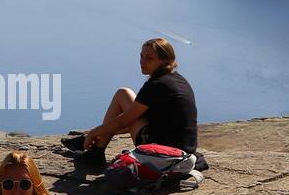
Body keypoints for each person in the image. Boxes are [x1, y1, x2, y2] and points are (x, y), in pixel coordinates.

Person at [63, 37, 204, 166]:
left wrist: (93, 133)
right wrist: (98, 132)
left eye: (149, 58)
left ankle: (96, 153)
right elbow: (134, 120)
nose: (142, 62)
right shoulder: (177, 79)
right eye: (141, 56)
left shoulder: (157, 84)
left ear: (164, 61)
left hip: (164, 154)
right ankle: (94, 148)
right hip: (184, 151)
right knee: (125, 98)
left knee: (122, 94)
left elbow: (124, 121)